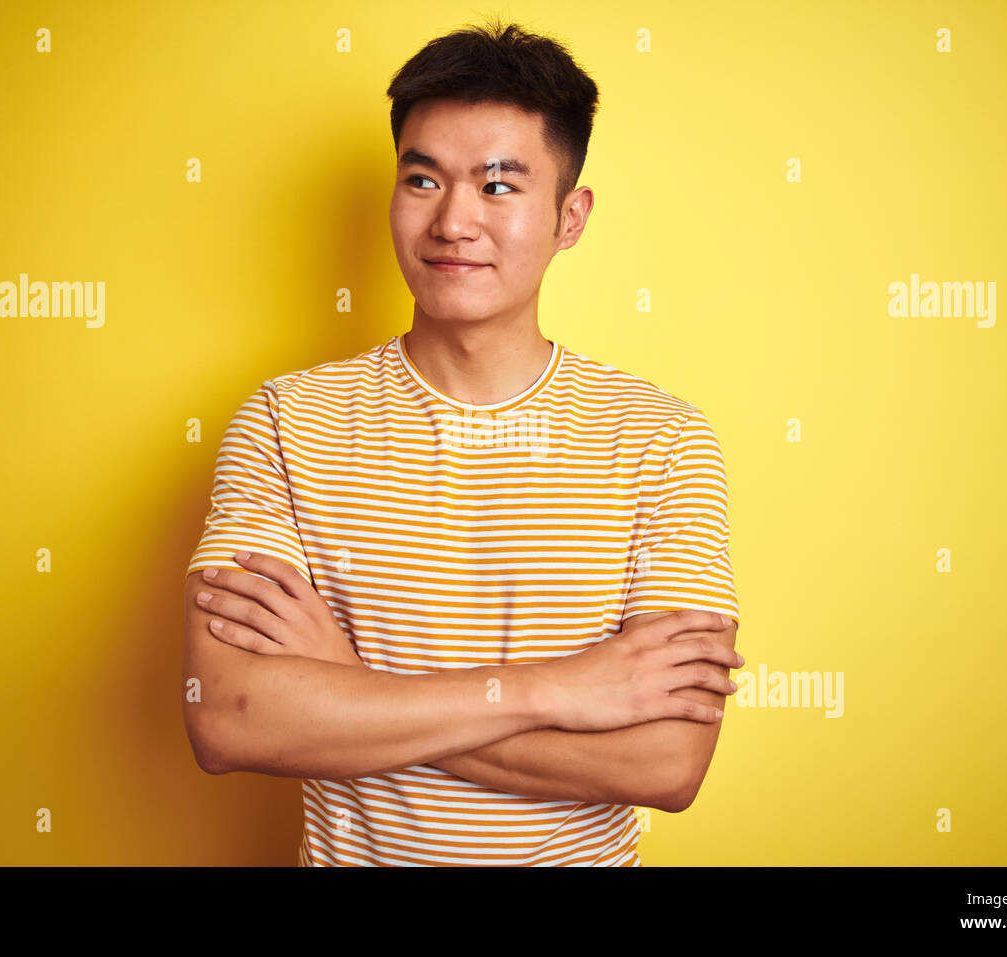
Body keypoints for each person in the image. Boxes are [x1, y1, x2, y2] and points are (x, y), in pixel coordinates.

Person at [182, 18, 741, 866]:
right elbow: (229, 718)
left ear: (570, 217)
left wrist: (352, 691)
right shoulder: (284, 421)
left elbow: (665, 763)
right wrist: (559, 690)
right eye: (423, 179)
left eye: (499, 186)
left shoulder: (662, 439)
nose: (453, 221)